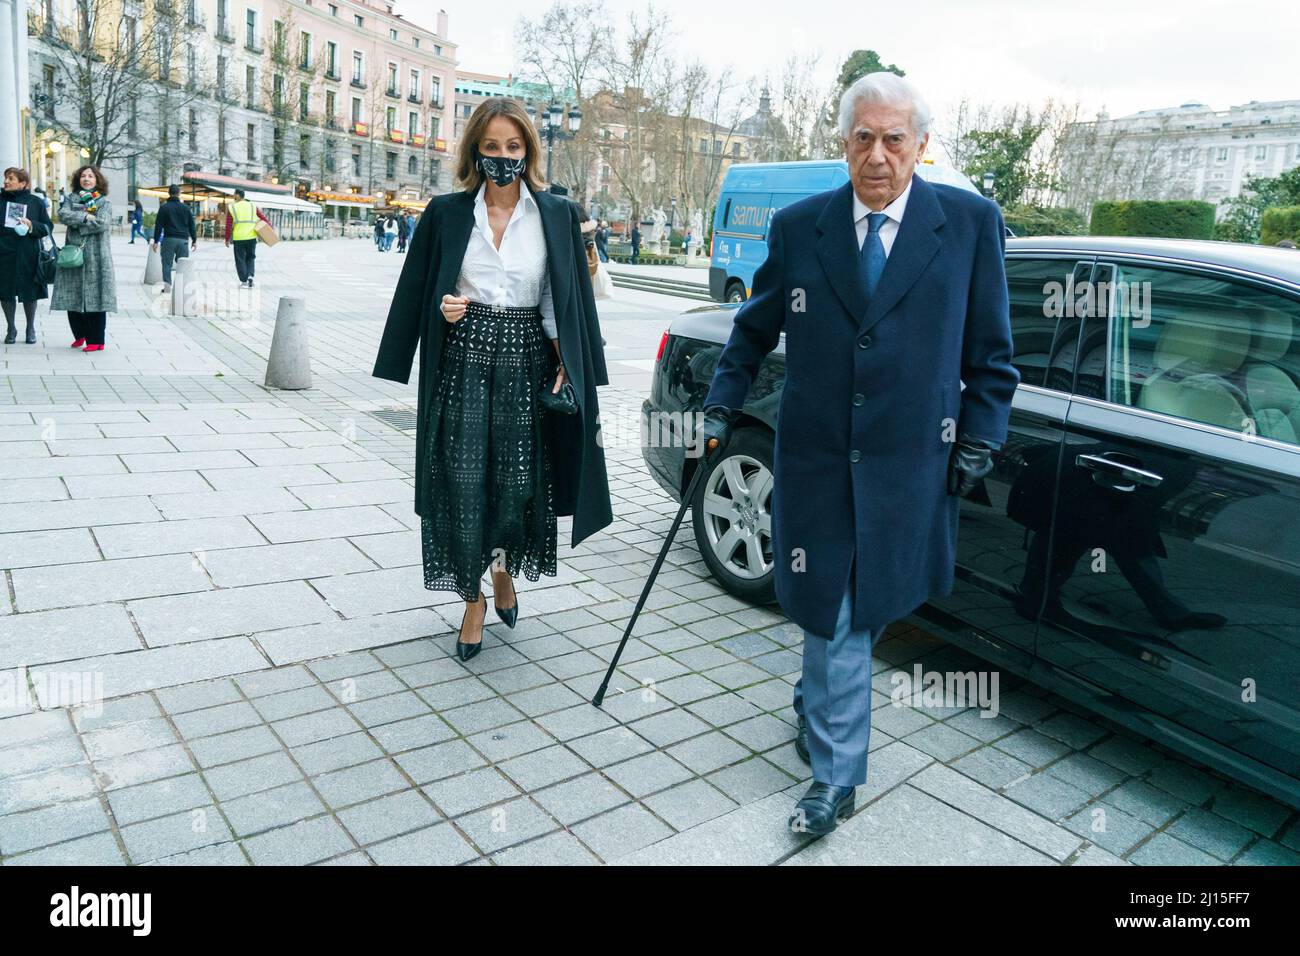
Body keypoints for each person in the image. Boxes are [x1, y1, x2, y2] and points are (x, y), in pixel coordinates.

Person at [701, 72, 1019, 837]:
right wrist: (719, 403)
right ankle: (834, 778)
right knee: (835, 610)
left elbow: (992, 354)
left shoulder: (970, 224)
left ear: (921, 145)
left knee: (866, 606)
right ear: (843, 143)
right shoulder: (800, 227)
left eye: (894, 140)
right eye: (863, 138)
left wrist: (981, 434)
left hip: (911, 466)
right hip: (815, 463)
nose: (878, 156)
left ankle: (815, 700)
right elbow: (753, 327)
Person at [372, 95, 613, 662]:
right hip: (464, 357)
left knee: (516, 483)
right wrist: (444, 307)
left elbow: (560, 296)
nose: (503, 156)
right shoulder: (447, 213)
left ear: (528, 150)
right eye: (491, 147)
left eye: (513, 146)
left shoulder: (555, 213)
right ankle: (473, 599)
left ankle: (503, 570)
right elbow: (423, 288)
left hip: (528, 359)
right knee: (460, 482)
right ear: (474, 152)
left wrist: (569, 362)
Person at [51, 164, 118, 352]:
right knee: (71, 294)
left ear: (97, 180)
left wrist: (77, 223)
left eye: (90, 176)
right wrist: (85, 217)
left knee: (95, 297)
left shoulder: (103, 202)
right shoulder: (71, 199)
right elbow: (63, 215)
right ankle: (80, 334)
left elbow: (102, 223)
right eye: (83, 176)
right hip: (73, 254)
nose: (86, 179)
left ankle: (96, 340)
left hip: (97, 256)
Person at [1, 167, 54, 344]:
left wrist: (32, 225)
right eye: (5, 178)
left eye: (11, 178)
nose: (6, 181)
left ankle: (30, 328)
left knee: (30, 292)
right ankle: (11, 328)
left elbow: (48, 227)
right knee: (5, 292)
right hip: (4, 253)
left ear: (23, 183)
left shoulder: (35, 202)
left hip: (29, 253)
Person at [151, 184, 197, 290]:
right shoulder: (186, 208)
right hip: (183, 241)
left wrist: (156, 241)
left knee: (166, 264)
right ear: (179, 193)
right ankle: (180, 288)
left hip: (169, 239)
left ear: (169, 193)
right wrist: (194, 240)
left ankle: (167, 287)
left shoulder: (164, 208)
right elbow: (192, 225)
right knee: (182, 264)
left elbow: (158, 225)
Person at [223, 187, 269, 287]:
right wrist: (270, 228)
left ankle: (244, 281)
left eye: (234, 195)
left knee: (240, 259)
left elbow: (229, 225)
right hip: (252, 237)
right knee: (250, 257)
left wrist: (227, 239)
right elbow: (263, 218)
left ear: (238, 195)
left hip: (239, 238)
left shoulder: (232, 207)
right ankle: (250, 276)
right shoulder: (252, 205)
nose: (234, 197)